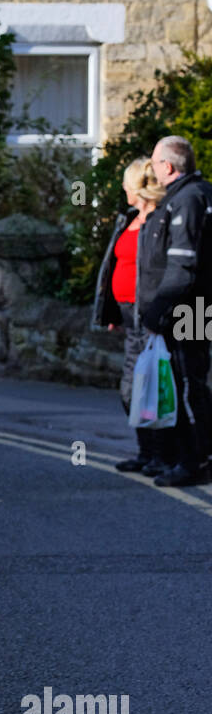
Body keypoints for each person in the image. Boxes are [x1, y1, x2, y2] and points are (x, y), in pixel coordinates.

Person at [92, 158, 175, 476]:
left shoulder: (159, 220)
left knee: (150, 386)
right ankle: (146, 452)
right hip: (128, 314)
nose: (122, 188)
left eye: (126, 183)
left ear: (138, 185)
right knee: (132, 388)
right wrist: (111, 311)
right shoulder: (127, 217)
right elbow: (115, 266)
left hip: (150, 315)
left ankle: (162, 455)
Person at [139, 135, 212, 486]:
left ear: (167, 166)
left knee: (188, 384)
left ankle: (193, 461)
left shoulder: (188, 199)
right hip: (191, 305)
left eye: (154, 163)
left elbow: (183, 266)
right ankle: (194, 458)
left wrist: (157, 311)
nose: (152, 169)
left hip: (190, 307)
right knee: (191, 382)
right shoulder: (192, 194)